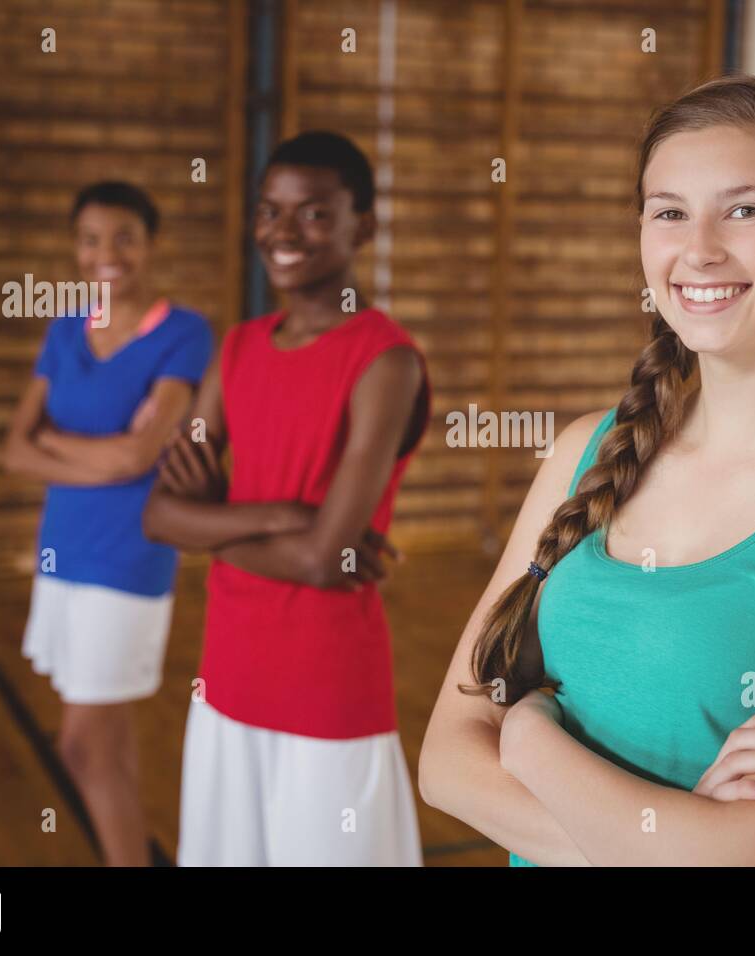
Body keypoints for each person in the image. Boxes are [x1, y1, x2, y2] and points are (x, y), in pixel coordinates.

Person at [418, 75, 755, 866]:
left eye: (744, 209)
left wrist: (528, 737)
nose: (699, 249)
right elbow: (443, 766)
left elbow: (752, 856)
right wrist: (669, 841)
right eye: (670, 211)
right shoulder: (583, 453)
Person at [144, 131, 430, 866]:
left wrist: (221, 525)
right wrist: (282, 516)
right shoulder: (237, 347)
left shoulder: (386, 361)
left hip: (327, 688)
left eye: (312, 214)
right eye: (271, 212)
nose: (283, 233)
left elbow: (325, 560)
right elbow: (159, 514)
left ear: (361, 226)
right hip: (227, 678)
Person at [3, 181, 214, 866]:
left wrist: (56, 440)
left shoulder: (184, 332)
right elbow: (12, 446)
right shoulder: (63, 328)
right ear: (76, 247)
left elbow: (141, 454)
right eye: (91, 238)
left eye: (124, 236)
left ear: (150, 244)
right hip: (61, 555)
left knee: (81, 744)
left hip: (127, 560)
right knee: (108, 740)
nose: (107, 253)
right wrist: (98, 453)